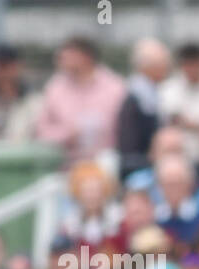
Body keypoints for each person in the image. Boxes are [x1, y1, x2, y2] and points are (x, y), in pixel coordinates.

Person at [35, 36, 127, 167]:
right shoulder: (55, 88)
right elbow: (41, 130)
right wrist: (66, 134)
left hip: (104, 166)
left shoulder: (115, 88)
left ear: (86, 57)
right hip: (63, 165)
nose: (62, 60)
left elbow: (126, 131)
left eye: (69, 56)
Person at [117, 39, 171, 181]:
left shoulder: (155, 92)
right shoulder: (136, 97)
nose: (166, 68)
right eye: (162, 64)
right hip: (140, 168)